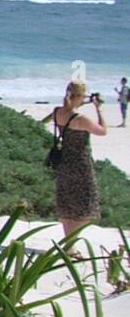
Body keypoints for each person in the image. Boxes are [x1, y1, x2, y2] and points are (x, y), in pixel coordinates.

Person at [46, 80, 106, 236]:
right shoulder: (80, 119)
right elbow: (102, 131)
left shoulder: (57, 112)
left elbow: (67, 108)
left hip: (64, 161)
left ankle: (68, 241)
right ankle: (72, 240)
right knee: (85, 202)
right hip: (81, 162)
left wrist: (81, 102)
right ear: (79, 96)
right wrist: (99, 109)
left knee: (67, 201)